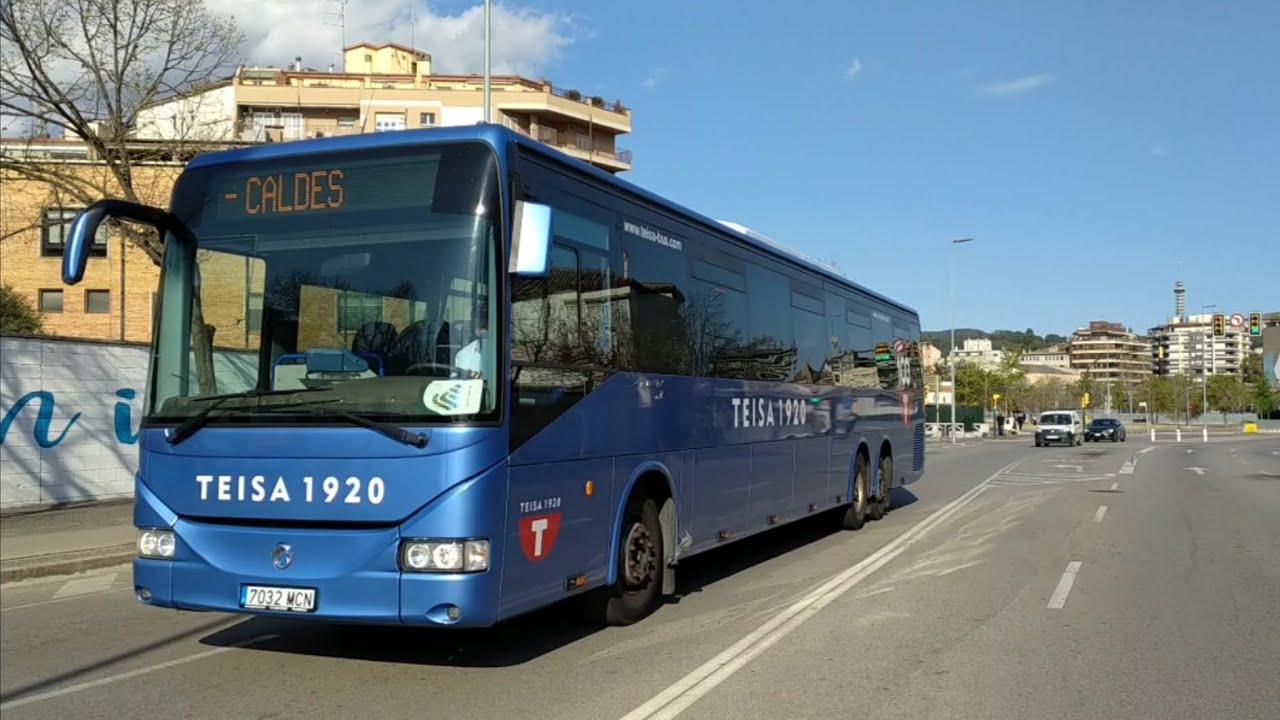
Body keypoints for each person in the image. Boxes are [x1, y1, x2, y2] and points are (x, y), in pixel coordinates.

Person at [454, 314, 488, 379]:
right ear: (477, 331)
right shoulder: (463, 354)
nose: (489, 331)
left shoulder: (503, 351)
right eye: (485, 327)